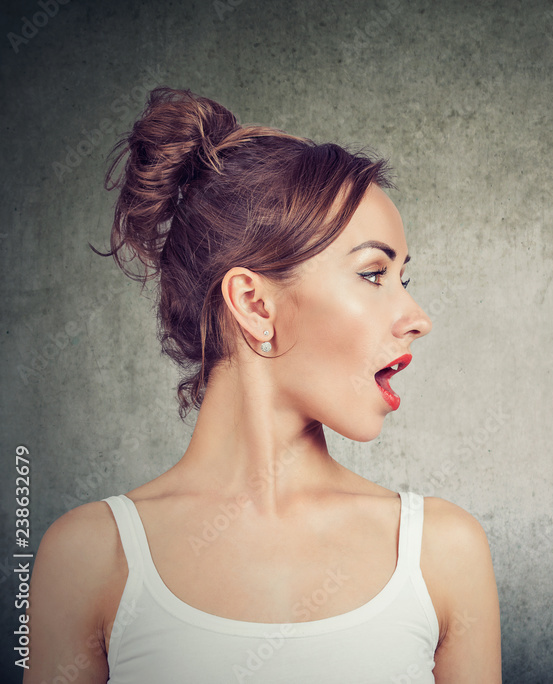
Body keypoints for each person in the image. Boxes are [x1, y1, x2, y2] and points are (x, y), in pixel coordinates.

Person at [24, 87, 502, 683]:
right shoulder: (89, 558)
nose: (418, 317)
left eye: (403, 277)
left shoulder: (443, 553)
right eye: (374, 274)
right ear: (254, 303)